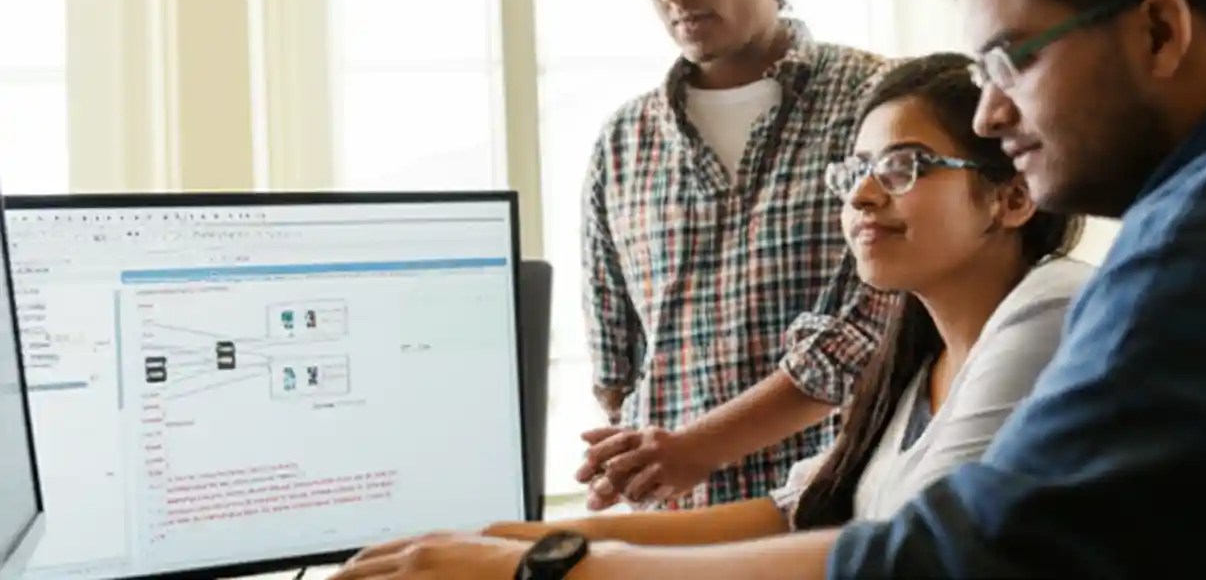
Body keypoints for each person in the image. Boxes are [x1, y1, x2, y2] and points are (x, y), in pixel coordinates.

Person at [331, 0, 1206, 578]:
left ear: (1161, 31)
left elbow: (969, 551)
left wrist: (547, 565)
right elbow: (812, 505)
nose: (994, 115)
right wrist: (538, 537)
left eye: (1011, 61)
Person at [329, 52, 1088, 577]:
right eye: (853, 172)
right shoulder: (916, 360)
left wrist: (538, 566)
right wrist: (505, 537)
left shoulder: (1045, 317)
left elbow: (900, 560)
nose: (860, 197)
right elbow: (788, 514)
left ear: (1011, 197)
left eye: (901, 168)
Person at [579, 0, 898, 510]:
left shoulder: (880, 105)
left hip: (836, 525)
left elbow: (879, 327)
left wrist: (698, 446)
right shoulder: (620, 146)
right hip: (671, 546)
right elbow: (617, 373)